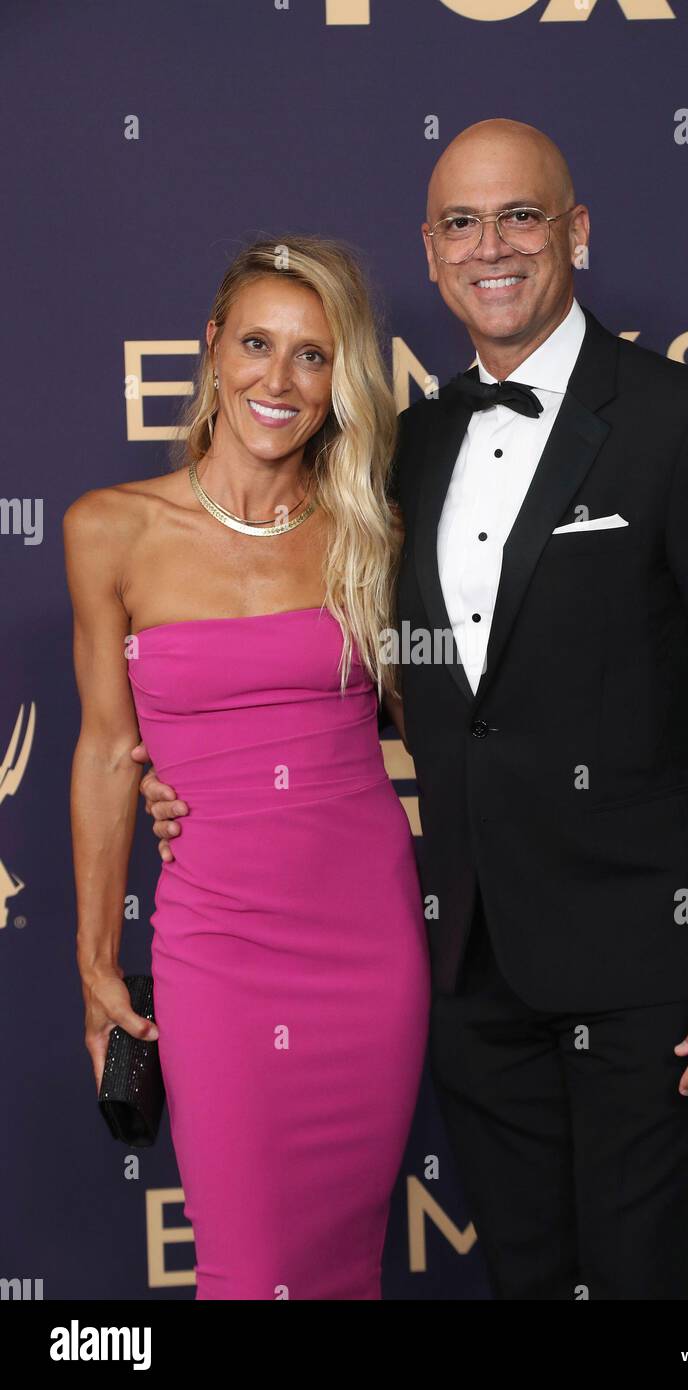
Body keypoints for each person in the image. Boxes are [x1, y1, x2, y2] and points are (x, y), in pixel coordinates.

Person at [141, 120, 688, 1301]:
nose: (490, 247)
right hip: (465, 969)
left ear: (573, 232)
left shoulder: (683, 422)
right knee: (525, 1281)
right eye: (460, 223)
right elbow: (358, 674)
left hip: (648, 975)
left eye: (519, 216)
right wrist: (199, 780)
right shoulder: (398, 456)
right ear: (430, 250)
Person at [64, 236, 430, 1301]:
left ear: (340, 379)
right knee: (251, 1268)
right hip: (218, 942)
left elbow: (460, 724)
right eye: (259, 344)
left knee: (339, 1268)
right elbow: (104, 749)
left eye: (313, 357)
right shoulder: (111, 529)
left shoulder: (374, 529)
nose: (281, 379)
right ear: (212, 348)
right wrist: (95, 966)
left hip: (365, 940)